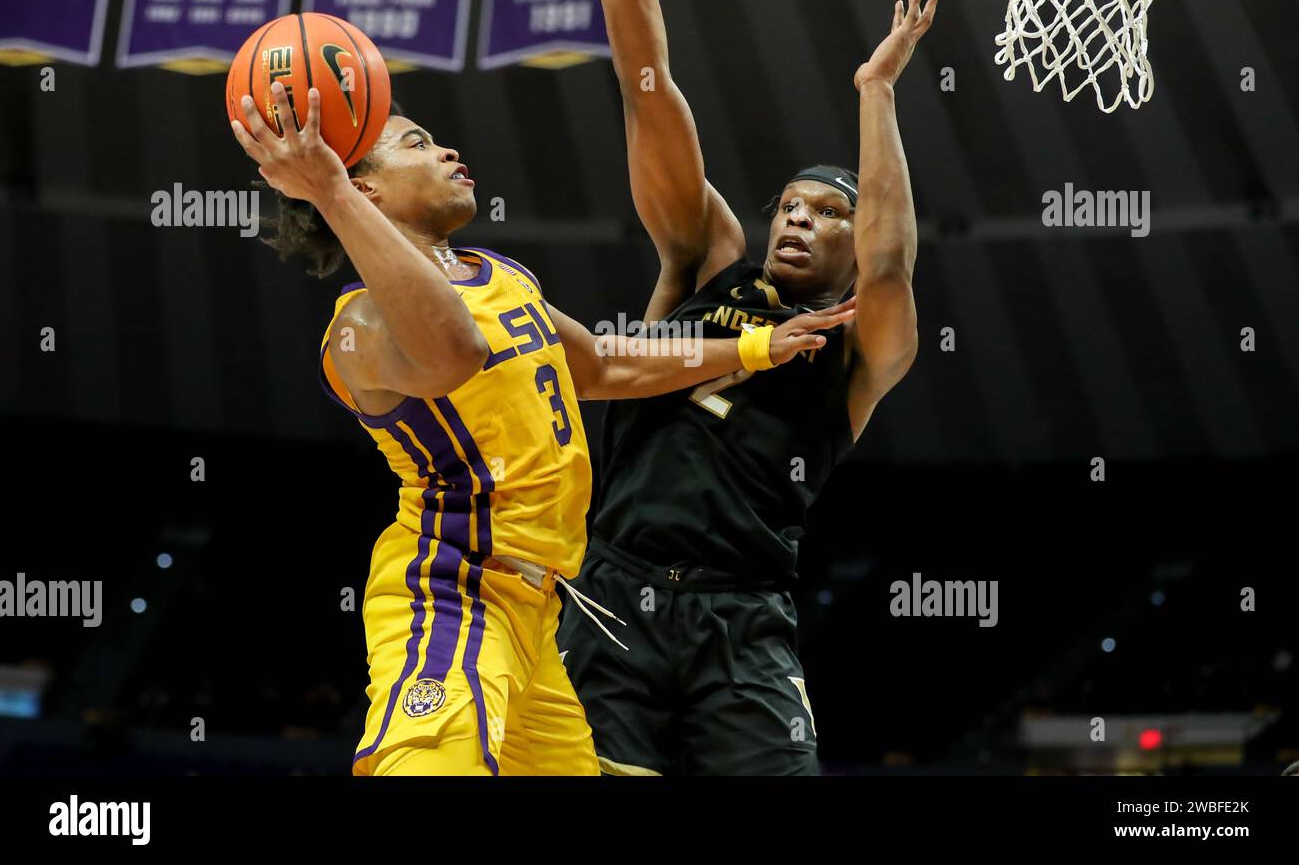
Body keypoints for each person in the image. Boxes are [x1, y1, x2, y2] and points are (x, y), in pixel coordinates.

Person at [229, 82, 854, 776]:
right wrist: (328, 192)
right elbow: (453, 350)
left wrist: (756, 348)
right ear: (367, 193)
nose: (446, 149)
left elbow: (604, 366)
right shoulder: (359, 326)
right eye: (417, 144)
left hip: (538, 609)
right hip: (451, 597)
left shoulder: (500, 276)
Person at [556, 0, 940, 775]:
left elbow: (889, 265)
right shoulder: (705, 264)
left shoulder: (860, 342)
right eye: (791, 205)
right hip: (614, 591)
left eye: (829, 211)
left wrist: (875, 93)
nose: (799, 216)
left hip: (743, 614)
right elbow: (645, 81)